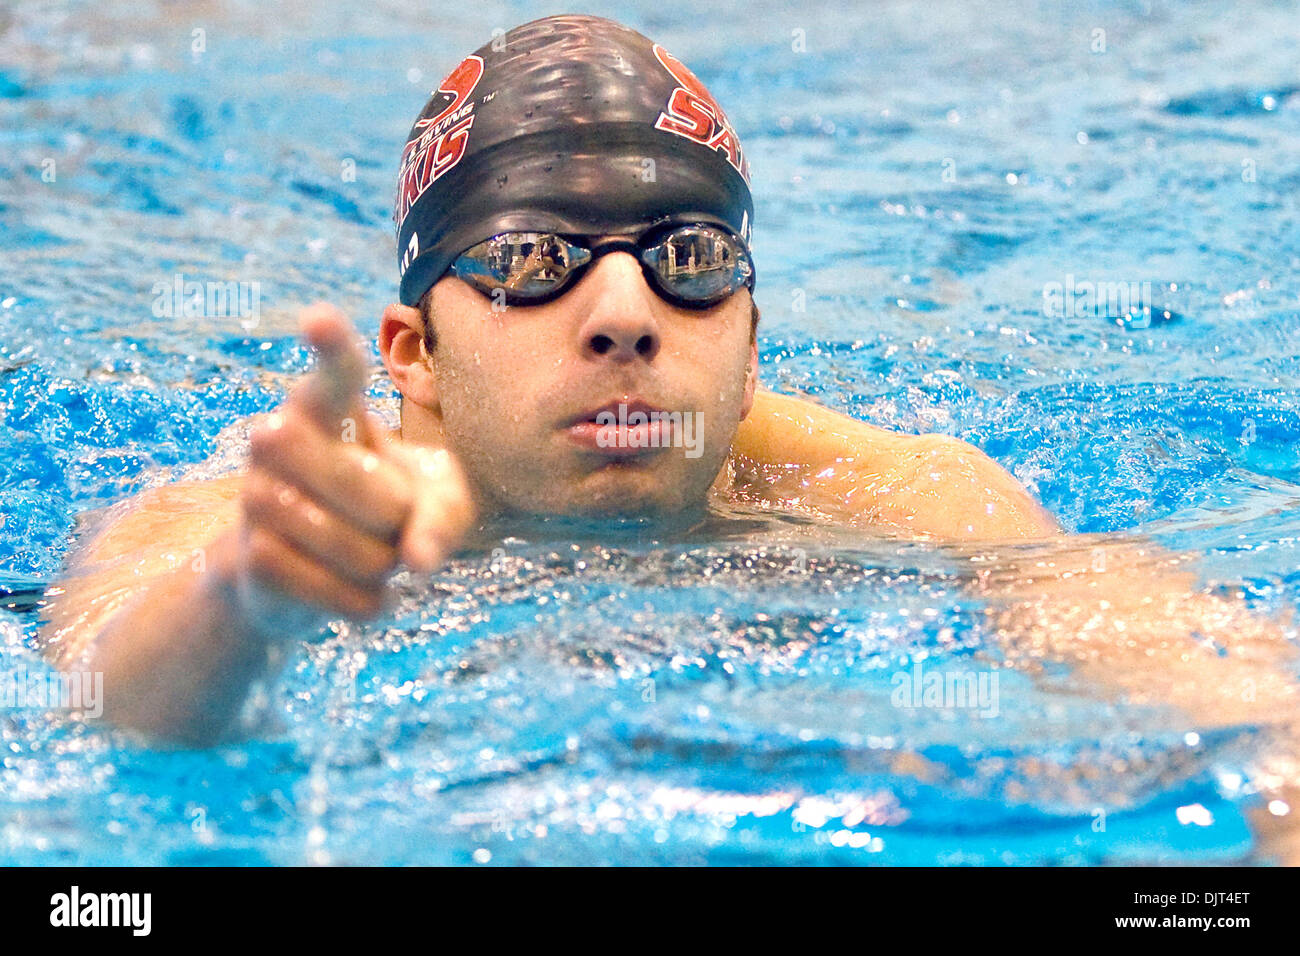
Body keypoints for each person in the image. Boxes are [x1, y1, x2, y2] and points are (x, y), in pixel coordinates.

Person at [36, 18, 1300, 861]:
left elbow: (1205, 670)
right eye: (536, 262)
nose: (629, 318)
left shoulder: (904, 494)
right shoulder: (275, 514)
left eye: (688, 260)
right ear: (412, 353)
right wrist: (248, 602)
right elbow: (106, 716)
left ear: (749, 342)